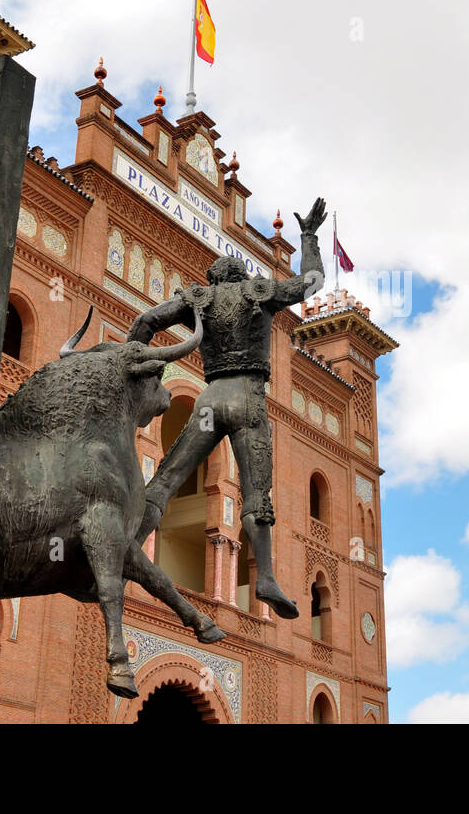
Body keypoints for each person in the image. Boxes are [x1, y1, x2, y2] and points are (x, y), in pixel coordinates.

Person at [129, 198, 328, 618]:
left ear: (212, 278)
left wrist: (133, 366)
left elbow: (146, 321)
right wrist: (308, 236)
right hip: (248, 399)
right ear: (241, 275)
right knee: (257, 496)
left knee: (165, 480)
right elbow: (310, 281)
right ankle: (268, 579)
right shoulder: (261, 292)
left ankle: (128, 546)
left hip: (210, 396)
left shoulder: (199, 299)